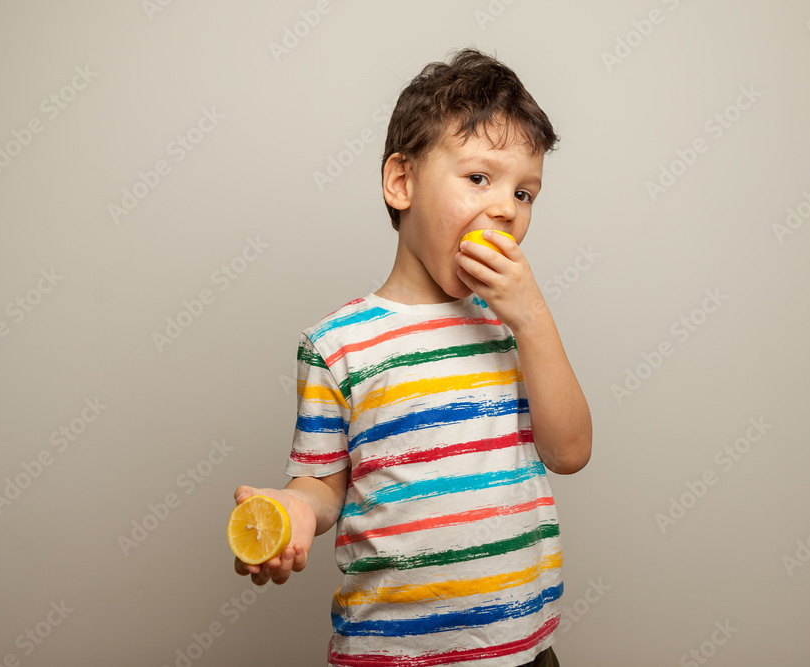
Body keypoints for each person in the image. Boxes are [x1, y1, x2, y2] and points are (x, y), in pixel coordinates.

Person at [233, 47, 591, 667]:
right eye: (479, 178)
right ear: (402, 183)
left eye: (525, 192)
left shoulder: (514, 332)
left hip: (523, 652)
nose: (507, 207)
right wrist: (295, 506)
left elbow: (570, 452)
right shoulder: (338, 344)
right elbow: (322, 485)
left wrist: (533, 318)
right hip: (392, 655)